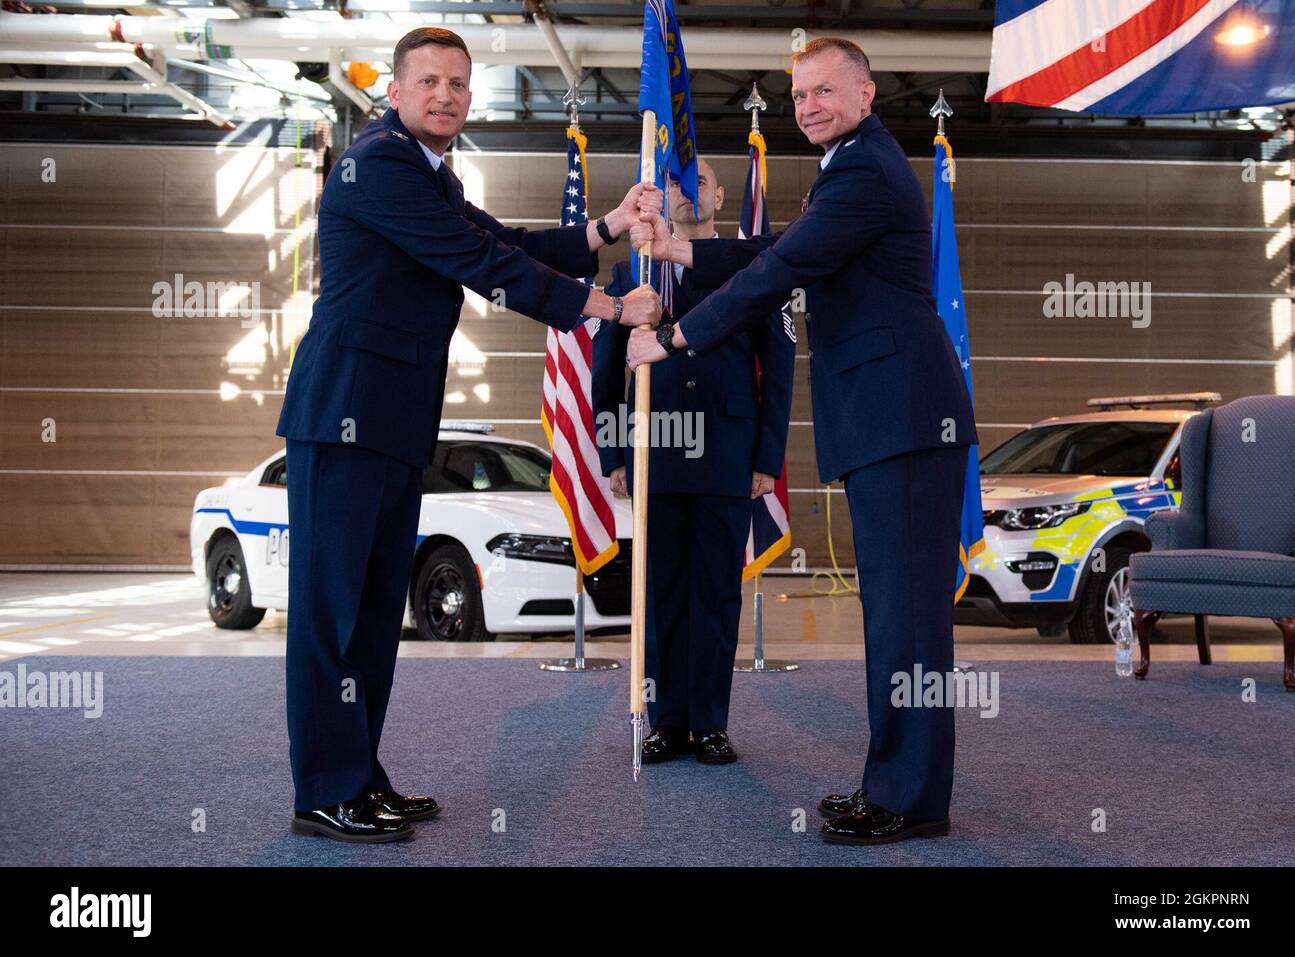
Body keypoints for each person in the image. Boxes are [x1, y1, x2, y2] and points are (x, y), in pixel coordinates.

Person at [276, 26, 660, 843]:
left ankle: (359, 775)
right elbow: (482, 265)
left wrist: (608, 226)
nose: (446, 95)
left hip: (391, 421)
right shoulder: (379, 162)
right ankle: (323, 790)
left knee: (377, 613)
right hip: (343, 416)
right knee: (332, 611)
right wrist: (607, 308)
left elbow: (509, 243)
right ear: (395, 91)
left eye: (458, 83)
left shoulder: (430, 173)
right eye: (430, 82)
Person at [628, 37, 976, 845]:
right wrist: (681, 247)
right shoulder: (852, 165)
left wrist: (676, 340)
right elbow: (775, 253)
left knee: (910, 618)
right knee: (896, 613)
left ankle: (910, 797)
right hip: (889, 418)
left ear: (865, 91)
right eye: (799, 95)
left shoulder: (861, 167)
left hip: (905, 417)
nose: (809, 105)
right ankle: (896, 783)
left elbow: (776, 274)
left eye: (824, 90)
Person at [592, 159, 794, 766]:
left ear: (721, 194)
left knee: (714, 594)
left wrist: (767, 455)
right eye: (676, 184)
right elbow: (605, 371)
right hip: (654, 451)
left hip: (727, 454)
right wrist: (612, 448)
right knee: (659, 594)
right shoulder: (631, 270)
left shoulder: (753, 268)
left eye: (698, 182)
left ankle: (708, 723)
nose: (687, 193)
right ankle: (664, 721)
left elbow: (779, 369)